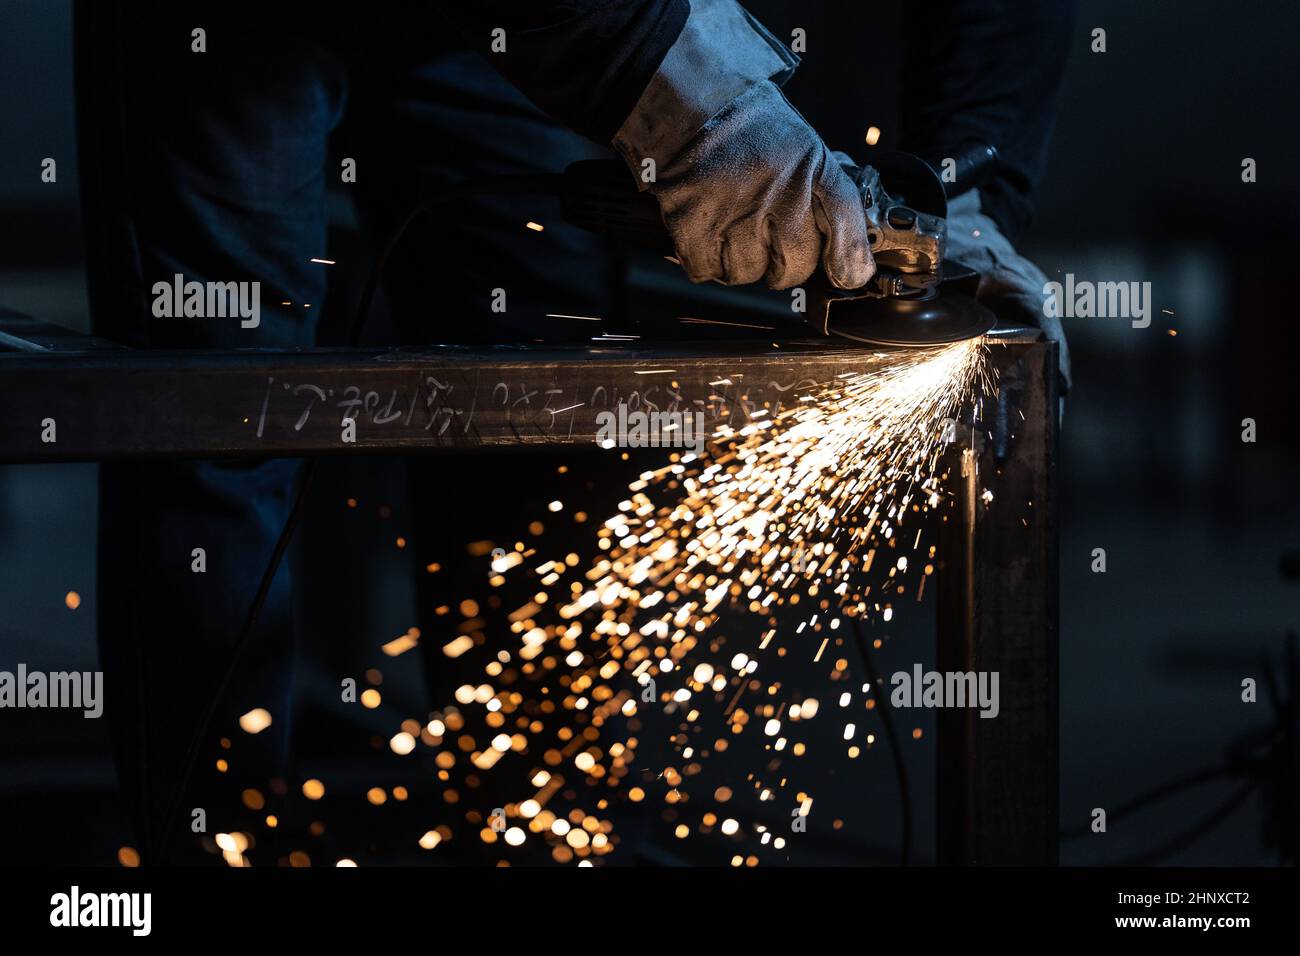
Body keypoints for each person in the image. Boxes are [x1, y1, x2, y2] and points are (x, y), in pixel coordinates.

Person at [76, 0, 1073, 862]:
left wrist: (971, 194)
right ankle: (210, 854)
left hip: (507, 37)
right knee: (217, 423)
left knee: (547, 411)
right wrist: (699, 100)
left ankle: (552, 833)